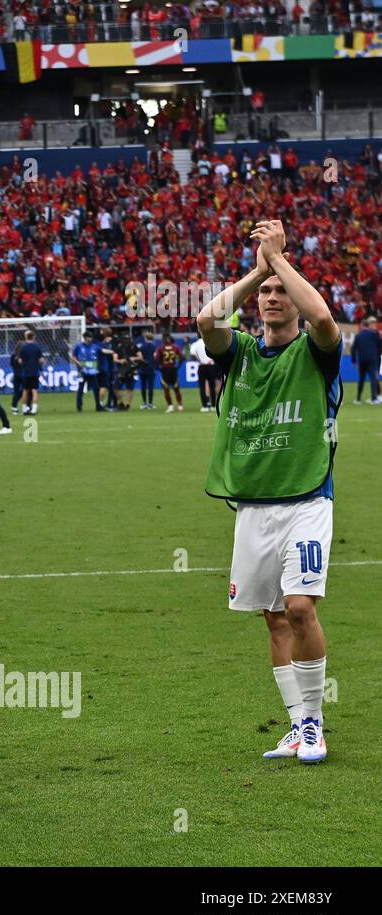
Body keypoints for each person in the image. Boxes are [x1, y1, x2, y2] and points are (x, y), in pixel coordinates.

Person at [196, 218, 341, 765]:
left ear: (296, 301)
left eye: (283, 291)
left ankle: (316, 727)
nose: (274, 297)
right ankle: (299, 725)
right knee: (275, 618)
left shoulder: (318, 353)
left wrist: (281, 260)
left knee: (301, 607)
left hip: (307, 501)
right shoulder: (241, 354)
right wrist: (258, 272)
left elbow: (325, 317)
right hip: (254, 506)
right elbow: (207, 317)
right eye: (267, 293)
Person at [70, 330, 103, 412]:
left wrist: (111, 351)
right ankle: (79, 407)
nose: (91, 339)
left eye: (91, 337)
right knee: (80, 390)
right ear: (85, 338)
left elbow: (102, 351)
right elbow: (72, 356)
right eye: (89, 337)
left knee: (96, 389)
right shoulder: (79, 346)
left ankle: (98, 406)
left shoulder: (94, 346)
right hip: (82, 371)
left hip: (92, 372)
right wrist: (78, 363)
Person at [350, 315, 380, 404]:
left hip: (362, 360)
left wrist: (354, 360)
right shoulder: (374, 334)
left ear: (362, 325)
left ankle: (358, 399)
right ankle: (374, 398)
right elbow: (379, 345)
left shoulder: (358, 335)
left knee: (361, 379)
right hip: (372, 359)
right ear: (368, 325)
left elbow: (353, 349)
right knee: (373, 378)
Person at [17, 329, 44, 415]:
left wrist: (25, 363)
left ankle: (24, 409)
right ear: (33, 337)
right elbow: (41, 360)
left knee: (25, 390)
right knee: (34, 390)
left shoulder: (23, 348)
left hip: (25, 372)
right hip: (35, 372)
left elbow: (20, 361)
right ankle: (34, 409)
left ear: (26, 337)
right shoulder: (37, 347)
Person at [156, 334, 184, 412]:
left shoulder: (160, 348)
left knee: (166, 389)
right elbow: (182, 357)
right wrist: (177, 366)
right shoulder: (176, 347)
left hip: (165, 370)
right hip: (173, 369)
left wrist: (159, 368)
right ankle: (180, 405)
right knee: (176, 388)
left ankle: (170, 406)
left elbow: (156, 359)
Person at [190, 333, 219, 410]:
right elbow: (217, 352)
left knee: (202, 387)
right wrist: (211, 360)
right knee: (212, 386)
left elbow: (192, 354)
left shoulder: (195, 344)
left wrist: (200, 361)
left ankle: (205, 406)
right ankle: (213, 405)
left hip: (201, 366)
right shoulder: (210, 342)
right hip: (210, 365)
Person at [136, 329, 157, 409]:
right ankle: (150, 403)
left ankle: (144, 403)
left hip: (142, 368)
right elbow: (155, 357)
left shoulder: (141, 346)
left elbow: (139, 357)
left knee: (143, 386)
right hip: (151, 368)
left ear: (145, 338)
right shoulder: (154, 347)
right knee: (150, 386)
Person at [9, 340, 24, 414]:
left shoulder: (13, 356)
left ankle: (14, 406)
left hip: (16, 375)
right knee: (25, 390)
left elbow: (11, 364)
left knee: (16, 391)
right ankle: (26, 406)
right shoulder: (23, 356)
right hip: (23, 375)